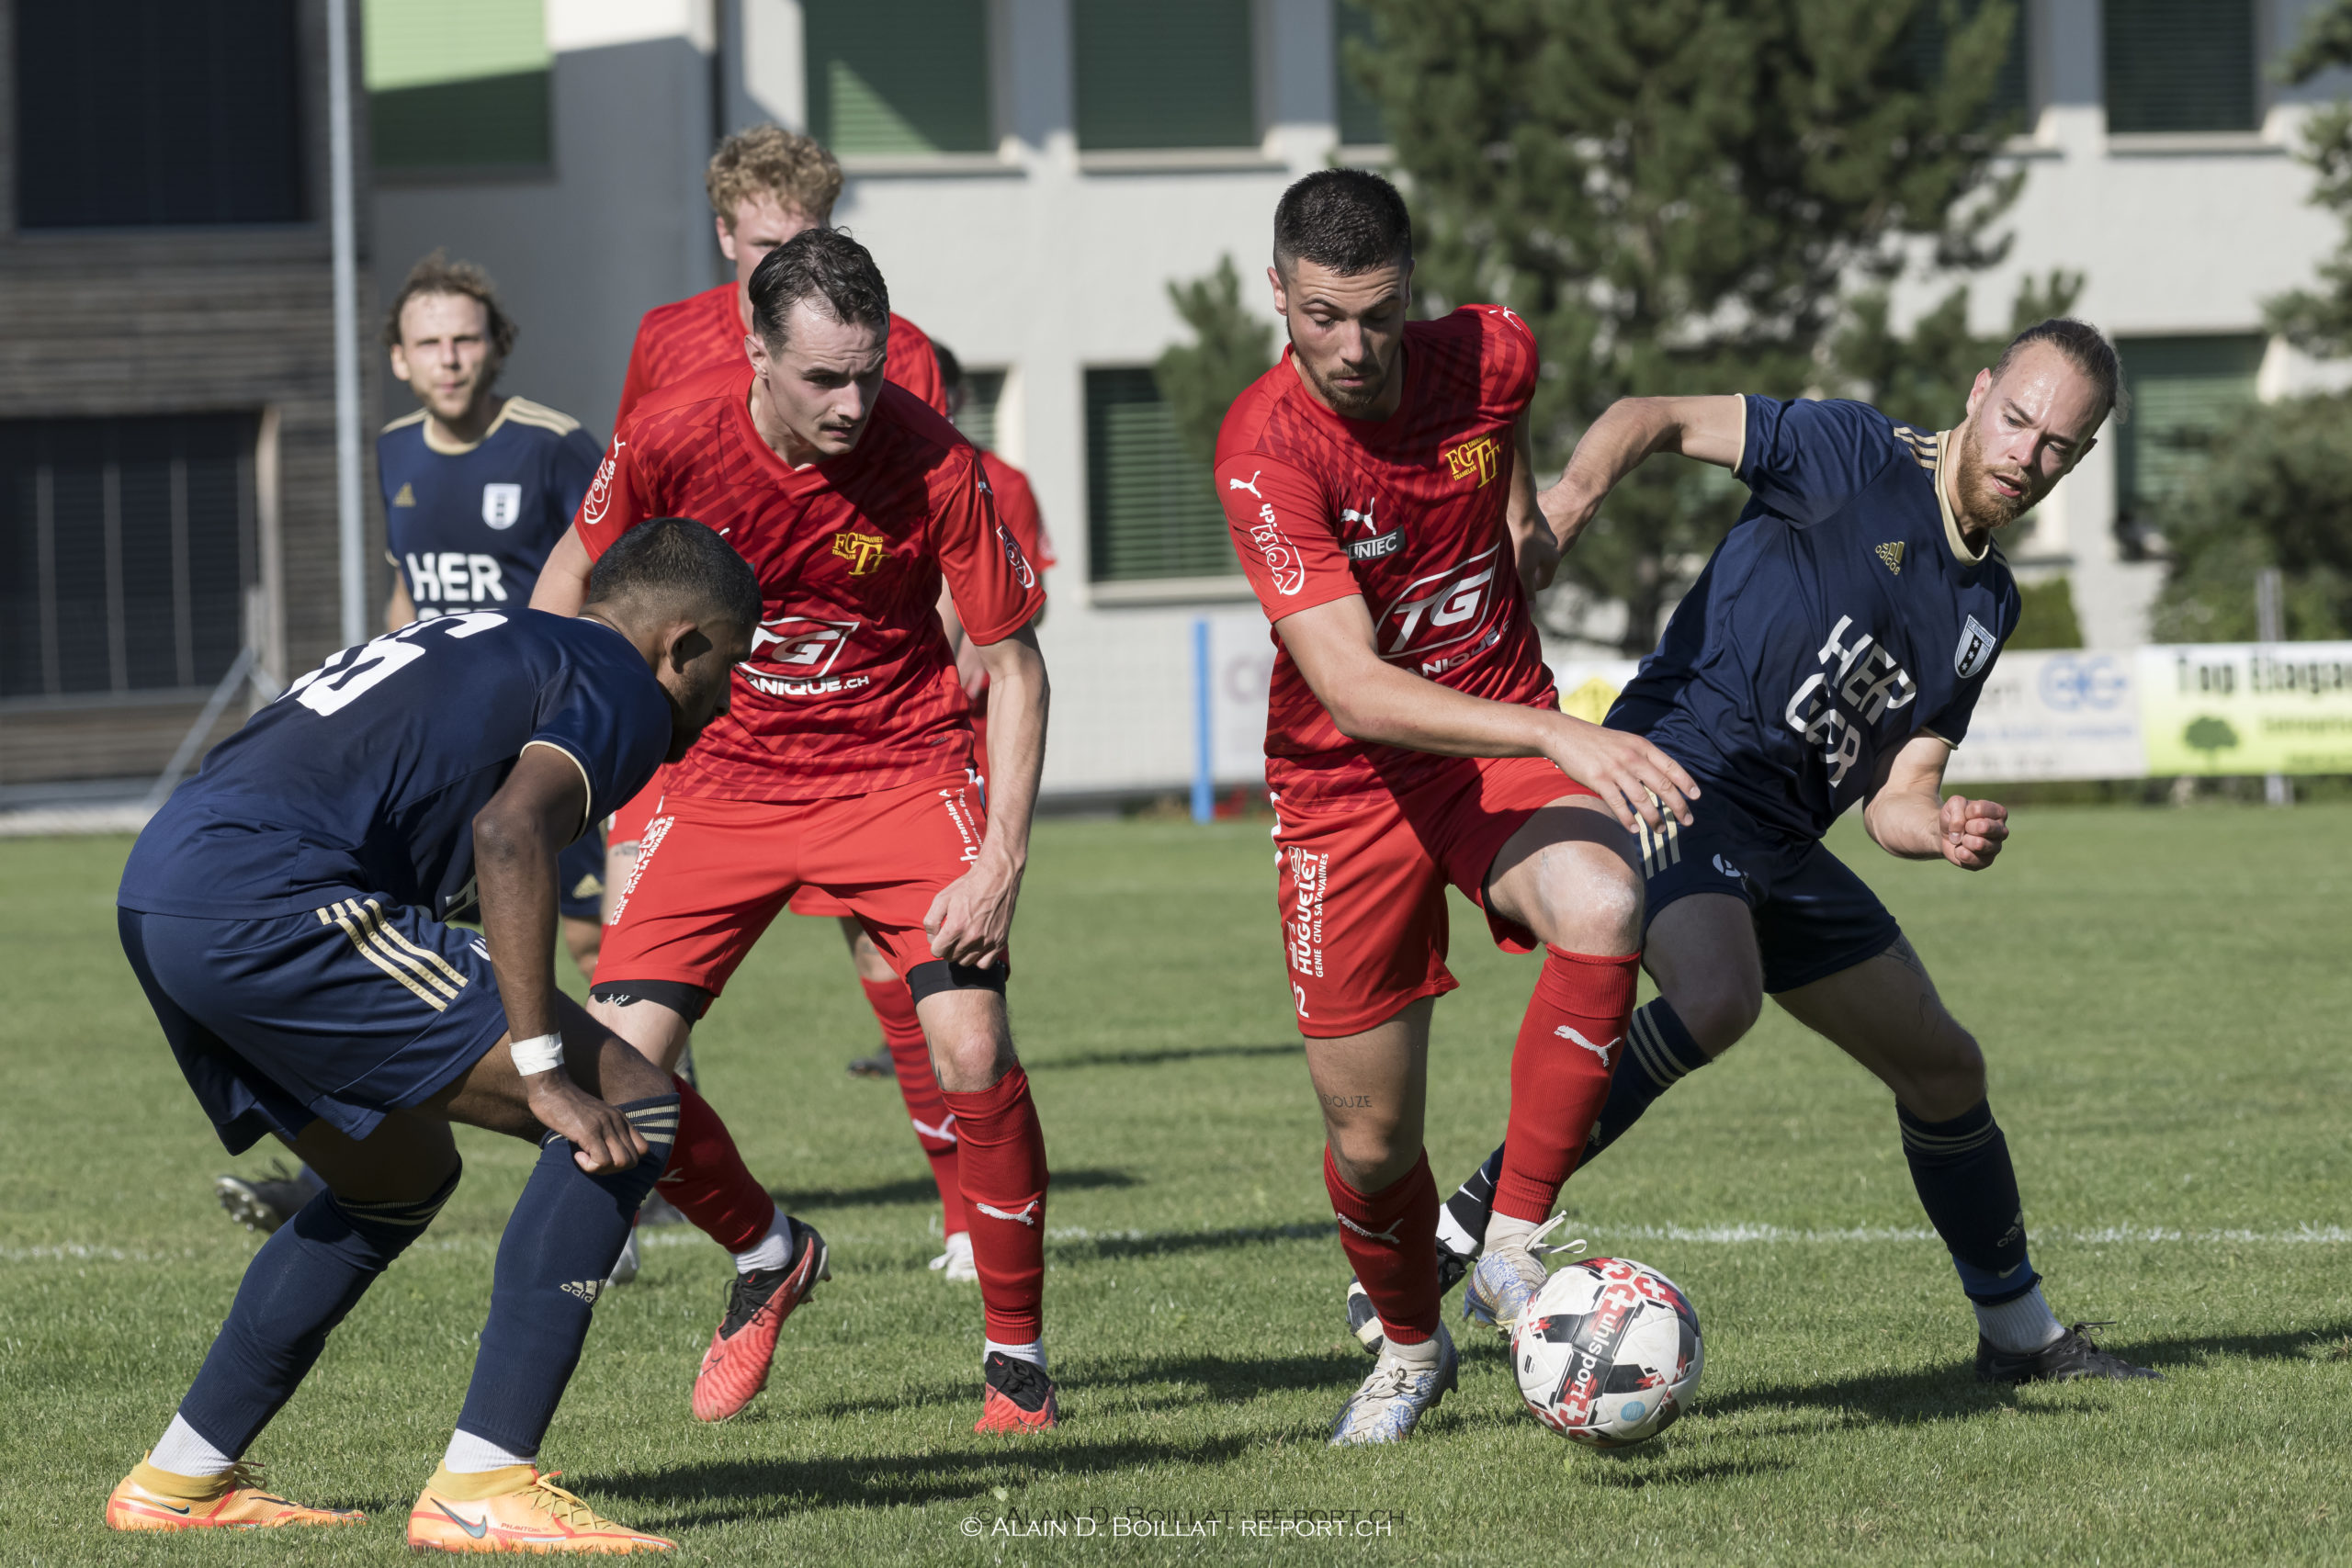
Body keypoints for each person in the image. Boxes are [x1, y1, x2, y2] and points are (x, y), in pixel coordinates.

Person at [1344, 319, 2161, 1386]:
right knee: (1718, 995)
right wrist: (1568, 505)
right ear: (1978, 392)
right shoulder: (1852, 453)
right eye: (2016, 419)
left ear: (2080, 457)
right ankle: (1468, 1225)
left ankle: (2018, 1337)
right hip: (1675, 776)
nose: (2025, 454)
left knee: (1945, 1068)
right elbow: (1652, 416)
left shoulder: (1983, 605)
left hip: (1782, 843)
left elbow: (1894, 798)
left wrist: (1942, 826)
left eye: (2057, 445)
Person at [109, 519, 760, 1551]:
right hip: (267, 899)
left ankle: (178, 1480)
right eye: (728, 665)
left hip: (163, 891)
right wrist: (545, 1069)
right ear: (680, 643)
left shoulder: (496, 635)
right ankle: (487, 1483)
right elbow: (510, 835)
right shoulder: (622, 680)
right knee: (633, 1099)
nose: (724, 701)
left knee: (395, 1179)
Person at [530, 230, 1059, 1434]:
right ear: (757, 348)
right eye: (823, 377)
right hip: (720, 778)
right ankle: (768, 1248)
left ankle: (1018, 1362)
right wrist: (534, 733)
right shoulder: (670, 434)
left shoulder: (933, 459)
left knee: (971, 1037)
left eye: (868, 371)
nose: (853, 401)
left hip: (900, 768)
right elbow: (574, 567)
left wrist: (1001, 859)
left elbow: (1018, 670)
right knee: (614, 1069)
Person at [1213, 170, 1700, 1446]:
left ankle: (1513, 1245)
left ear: (1412, 288)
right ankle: (1412, 1352)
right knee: (1371, 1140)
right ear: (1279, 292)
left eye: (1377, 313)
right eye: (1322, 315)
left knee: (1605, 898)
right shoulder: (1264, 449)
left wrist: (1545, 528)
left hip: (1486, 747)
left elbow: (1511, 507)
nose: (1353, 347)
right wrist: (1558, 726)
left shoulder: (1494, 355)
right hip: (1345, 786)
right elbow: (1356, 689)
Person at [209, 254, 619, 1252]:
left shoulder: (554, 446)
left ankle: (636, 1163)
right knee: (395, 949)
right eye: (430, 342)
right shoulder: (394, 451)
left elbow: (618, 580)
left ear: (497, 345)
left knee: (596, 951)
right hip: (432, 756)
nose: (450, 358)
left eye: (467, 338)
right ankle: (328, 1175)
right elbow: (409, 593)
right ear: (399, 358)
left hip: (536, 745)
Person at [602, 122, 953, 1145]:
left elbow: (921, 533)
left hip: (854, 714)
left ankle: (964, 1217)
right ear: (724, 240)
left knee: (894, 965)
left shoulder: (902, 356)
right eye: (765, 249)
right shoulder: (669, 342)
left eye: (811, 236)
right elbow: (631, 519)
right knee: (630, 961)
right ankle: (628, 1195)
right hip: (695, 707)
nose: (790, 262)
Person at [835, 342, 1058, 1292]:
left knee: (956, 993)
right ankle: (955, 1205)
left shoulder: (988, 477)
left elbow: (1008, 618)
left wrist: (962, 646)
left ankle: (976, 1216)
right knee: (880, 967)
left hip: (950, 746)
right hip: (852, 752)